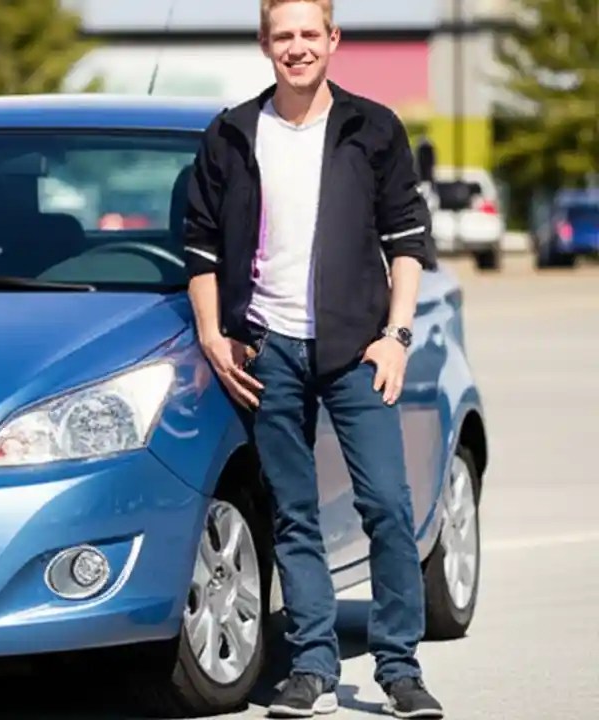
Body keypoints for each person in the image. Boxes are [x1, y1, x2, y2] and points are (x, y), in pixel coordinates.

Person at [181, 1, 445, 718]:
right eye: (283, 36)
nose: (296, 48)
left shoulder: (372, 128)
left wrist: (395, 336)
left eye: (308, 34)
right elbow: (200, 249)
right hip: (271, 351)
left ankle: (399, 668)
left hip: (357, 349)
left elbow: (407, 243)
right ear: (266, 45)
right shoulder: (234, 133)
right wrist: (212, 333)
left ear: (333, 40)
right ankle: (314, 668)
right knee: (295, 514)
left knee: (387, 505)